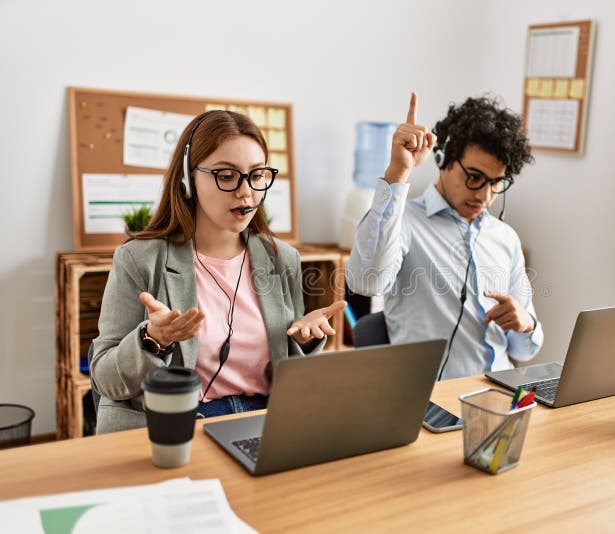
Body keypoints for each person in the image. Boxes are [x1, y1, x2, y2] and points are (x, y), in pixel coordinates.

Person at [92, 110, 344, 434]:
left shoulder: (283, 259)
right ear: (187, 178)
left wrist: (303, 342)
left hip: (267, 423)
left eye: (256, 175)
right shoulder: (138, 260)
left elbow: (290, 379)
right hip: (181, 427)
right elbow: (105, 378)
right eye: (227, 175)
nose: (246, 192)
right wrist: (153, 340)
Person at [346, 93, 542, 379]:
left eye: (496, 183)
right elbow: (365, 281)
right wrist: (397, 173)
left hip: (502, 398)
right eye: (473, 177)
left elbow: (525, 352)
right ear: (443, 159)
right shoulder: (404, 221)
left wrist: (526, 324)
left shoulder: (505, 238)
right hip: (433, 403)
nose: (484, 195)